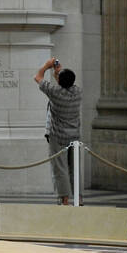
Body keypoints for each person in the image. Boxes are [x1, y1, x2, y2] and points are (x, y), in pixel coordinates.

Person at [35, 56, 81, 205]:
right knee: (75, 168)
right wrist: (58, 72)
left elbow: (38, 77)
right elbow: (64, 84)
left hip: (58, 136)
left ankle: (65, 199)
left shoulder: (55, 93)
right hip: (74, 135)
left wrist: (46, 65)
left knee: (60, 168)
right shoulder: (78, 92)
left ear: (60, 82)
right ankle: (78, 198)